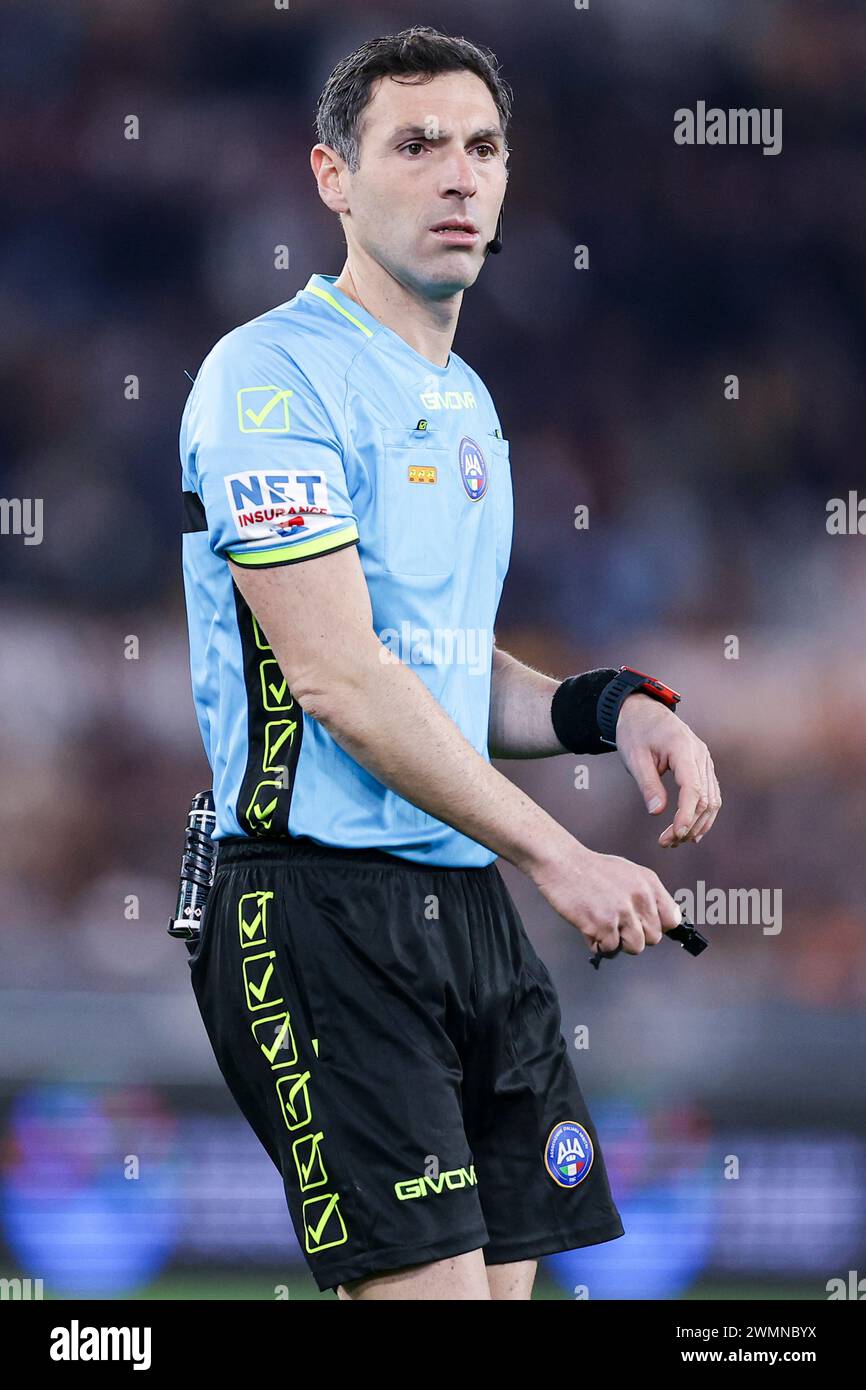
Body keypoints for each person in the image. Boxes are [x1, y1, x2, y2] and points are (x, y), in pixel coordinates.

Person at [178, 25, 721, 1301]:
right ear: (331, 178)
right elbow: (341, 679)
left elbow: (438, 668)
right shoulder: (268, 380)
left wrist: (607, 709)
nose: (457, 176)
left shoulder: (463, 399)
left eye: (481, 147)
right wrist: (561, 853)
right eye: (414, 145)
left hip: (459, 908)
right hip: (314, 911)